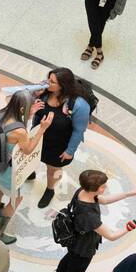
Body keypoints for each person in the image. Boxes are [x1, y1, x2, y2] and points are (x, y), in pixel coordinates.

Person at [53, 169, 136, 272]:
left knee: (69, 259)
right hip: (83, 248)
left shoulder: (82, 191)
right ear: (94, 189)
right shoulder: (88, 215)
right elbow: (112, 236)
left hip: (76, 240)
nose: (105, 187)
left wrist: (130, 193)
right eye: (102, 186)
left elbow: (106, 200)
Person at [0, 89, 51, 244]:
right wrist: (42, 129)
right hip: (11, 170)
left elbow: (16, 122)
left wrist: (29, 113)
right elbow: (27, 149)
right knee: (17, 198)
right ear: (22, 109)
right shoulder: (20, 131)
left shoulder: (2, 114)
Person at [31, 68, 94, 208]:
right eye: (48, 79)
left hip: (59, 145)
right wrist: (35, 94)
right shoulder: (45, 93)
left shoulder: (79, 105)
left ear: (63, 85)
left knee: (52, 169)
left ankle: (50, 189)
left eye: (52, 82)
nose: (48, 83)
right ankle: (29, 172)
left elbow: (79, 130)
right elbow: (31, 106)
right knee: (32, 157)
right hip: (38, 137)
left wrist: (70, 151)